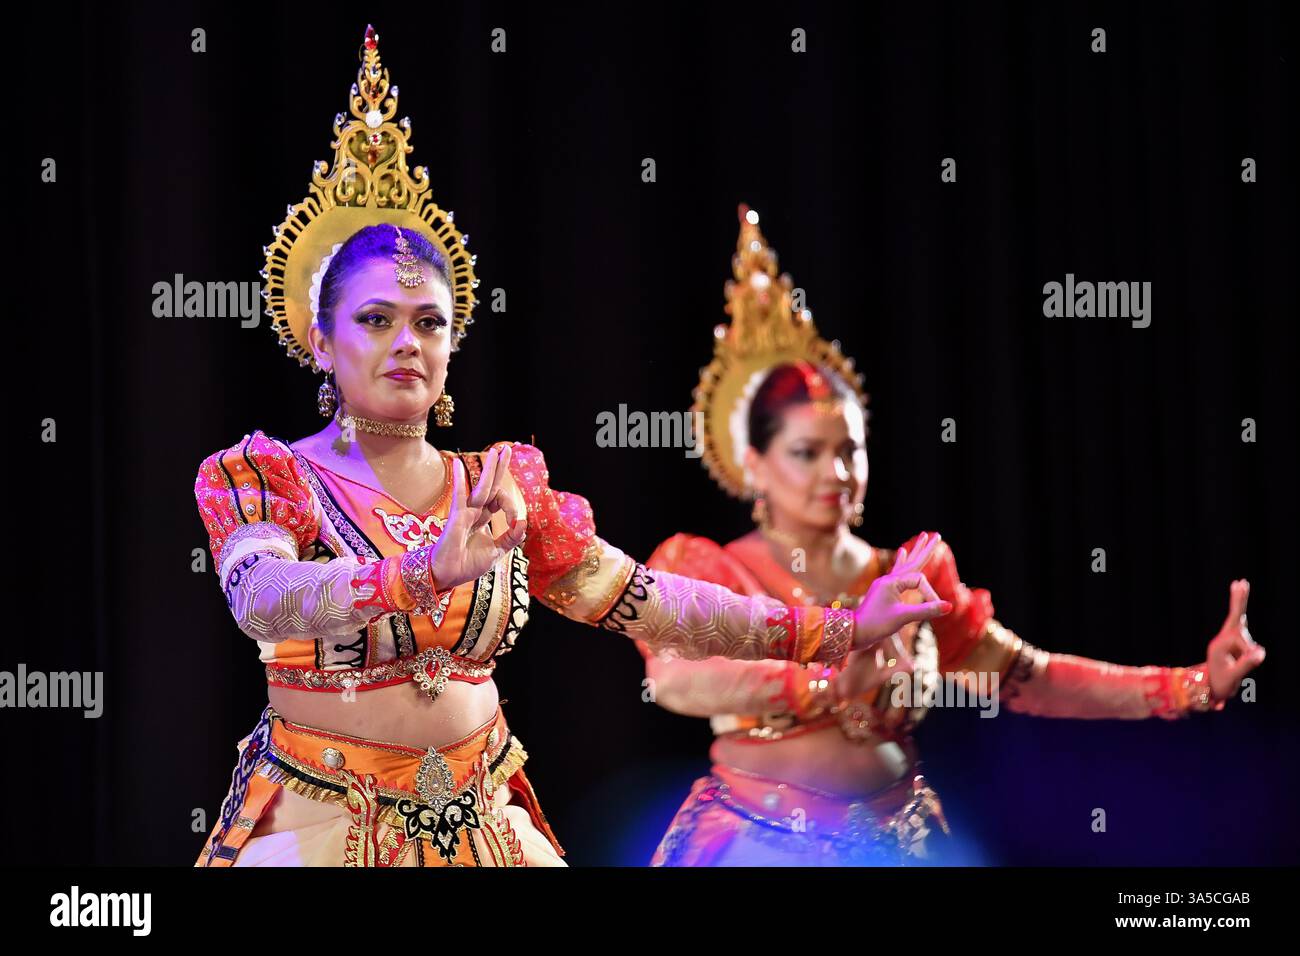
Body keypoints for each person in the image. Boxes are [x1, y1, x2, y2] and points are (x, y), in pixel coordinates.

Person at [191, 28, 950, 868]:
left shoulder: (499, 485)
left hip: (485, 827)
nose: (406, 343)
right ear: (320, 338)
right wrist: (419, 573)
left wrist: (839, 628)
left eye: (430, 323)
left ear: (452, 348)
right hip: (322, 822)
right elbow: (263, 596)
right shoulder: (266, 474)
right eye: (376, 320)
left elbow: (653, 602)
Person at [642, 206, 1267, 866]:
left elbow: (1030, 677)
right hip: (755, 842)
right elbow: (678, 681)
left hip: (900, 844)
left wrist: (1192, 684)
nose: (838, 471)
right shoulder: (709, 570)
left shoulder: (911, 574)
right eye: (807, 452)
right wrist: (828, 681)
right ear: (753, 464)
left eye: (851, 448)